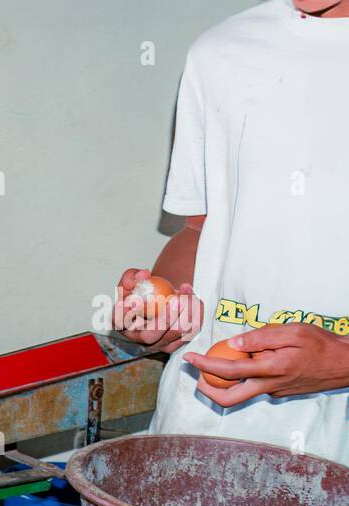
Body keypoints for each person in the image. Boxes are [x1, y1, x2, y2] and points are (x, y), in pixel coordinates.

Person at [113, 0, 349, 465]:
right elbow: (199, 231)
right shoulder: (221, 51)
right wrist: (165, 313)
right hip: (204, 426)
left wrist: (340, 363)